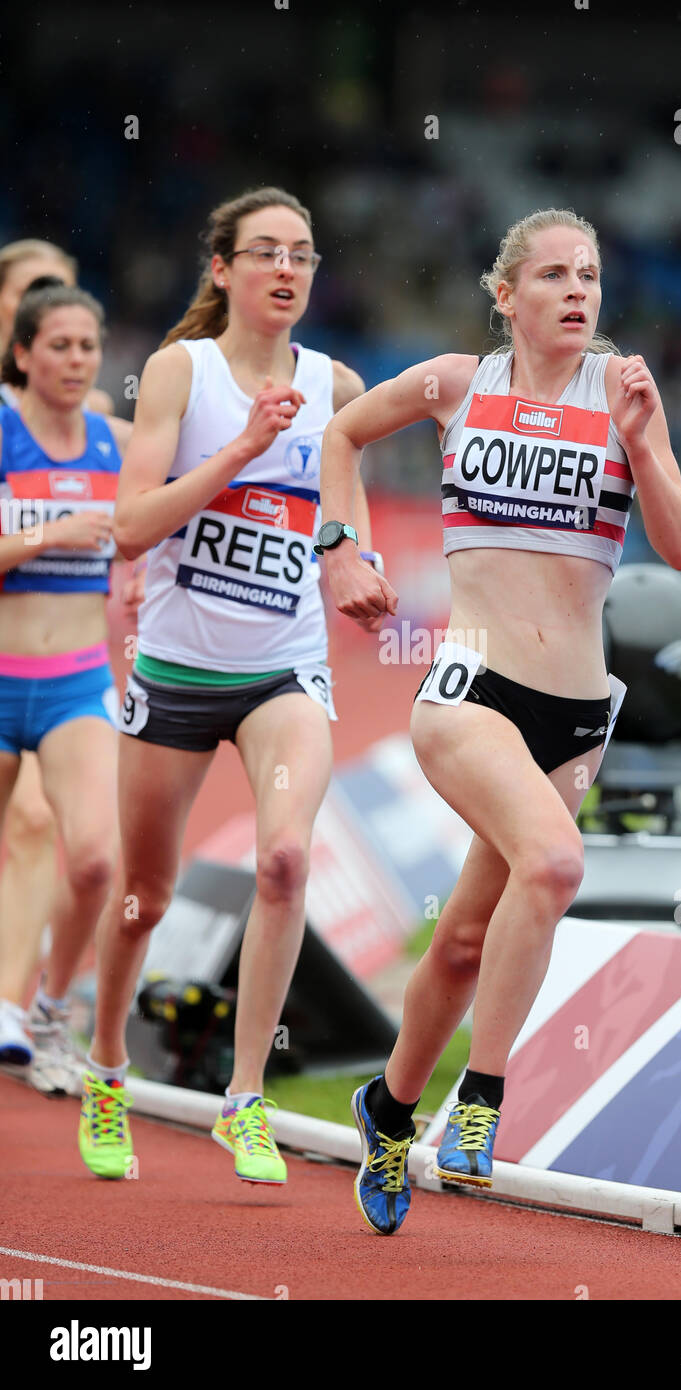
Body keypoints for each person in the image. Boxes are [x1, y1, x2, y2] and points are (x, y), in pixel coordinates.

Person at [318, 207, 681, 1234]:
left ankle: (388, 1108)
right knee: (554, 864)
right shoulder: (457, 383)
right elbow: (342, 431)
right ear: (506, 295)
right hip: (467, 689)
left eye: (589, 275)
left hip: (573, 718)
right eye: (553, 275)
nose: (577, 291)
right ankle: (478, 1101)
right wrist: (341, 546)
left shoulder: (620, 394)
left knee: (459, 942)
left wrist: (645, 444)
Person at [78, 186, 381, 1184]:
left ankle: (244, 1095)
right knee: (144, 895)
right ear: (222, 269)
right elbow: (130, 525)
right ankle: (109, 1069)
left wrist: (353, 563)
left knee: (285, 860)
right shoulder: (180, 372)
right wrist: (243, 449)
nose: (286, 270)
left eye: (301, 254)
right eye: (264, 253)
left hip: (282, 673)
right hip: (171, 671)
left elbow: (344, 516)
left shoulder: (336, 385)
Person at [0, 282, 133, 1090]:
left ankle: (46, 1013)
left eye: (88, 346)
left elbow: (165, 514)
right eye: (59, 345)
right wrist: (52, 531)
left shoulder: (116, 442)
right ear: (22, 353)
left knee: (91, 862)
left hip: (78, 681)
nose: (77, 360)